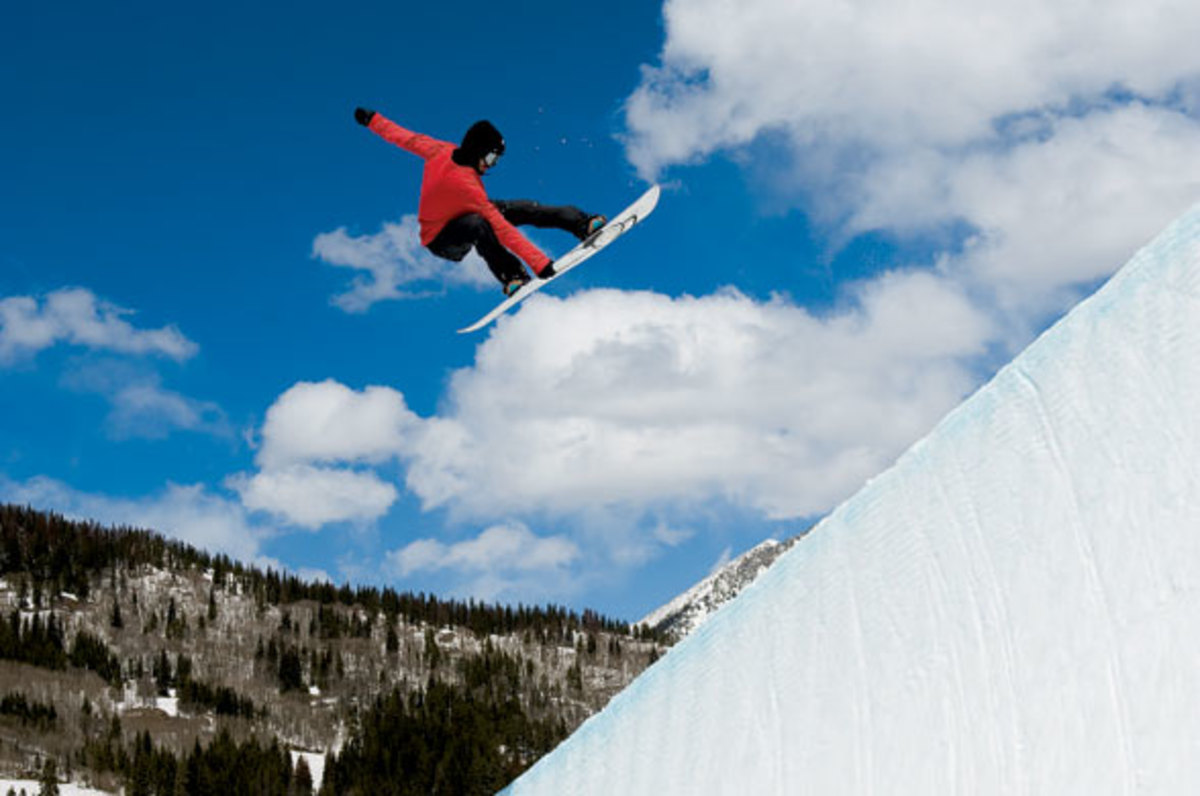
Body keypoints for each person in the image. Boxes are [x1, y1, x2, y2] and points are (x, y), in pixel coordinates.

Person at [354, 107, 607, 296]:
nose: (490, 166)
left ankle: (581, 223)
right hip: (441, 239)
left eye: (495, 161)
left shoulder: (439, 150)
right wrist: (540, 264)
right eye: (490, 159)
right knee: (480, 224)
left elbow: (403, 137)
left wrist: (372, 120)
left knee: (522, 209)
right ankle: (512, 276)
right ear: (477, 150)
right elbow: (502, 230)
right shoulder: (468, 186)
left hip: (464, 213)